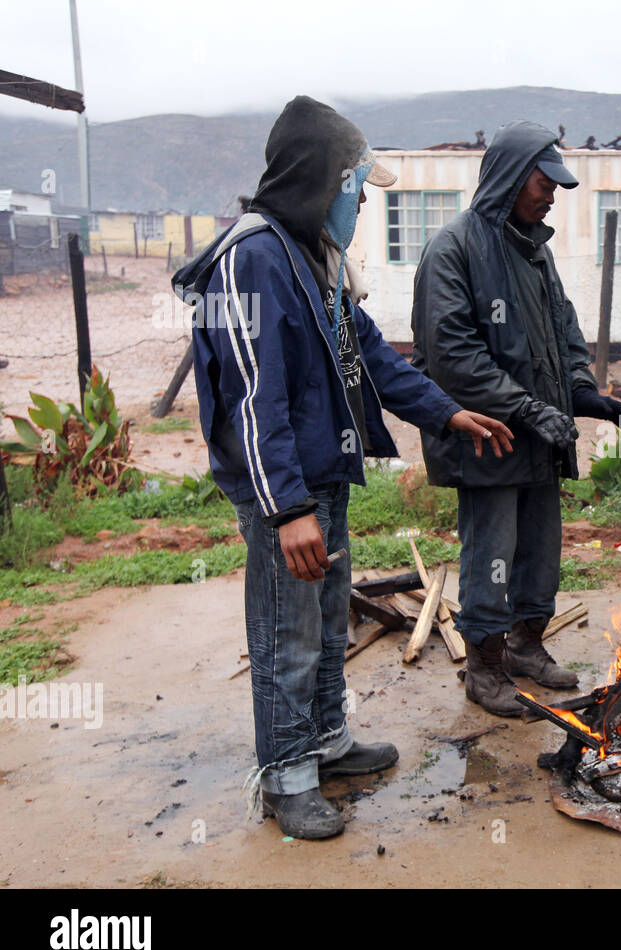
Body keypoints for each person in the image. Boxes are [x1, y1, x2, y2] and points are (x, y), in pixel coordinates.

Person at [175, 96, 511, 840]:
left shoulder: (317, 258)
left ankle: (327, 740)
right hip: (283, 488)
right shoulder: (253, 258)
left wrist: (445, 411)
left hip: (323, 470)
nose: (362, 205)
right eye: (358, 188)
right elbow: (254, 397)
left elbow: (374, 357)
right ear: (325, 184)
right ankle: (287, 776)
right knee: (286, 628)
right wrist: (287, 509)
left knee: (328, 616)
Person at [411, 121, 621, 717]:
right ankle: (483, 668)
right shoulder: (453, 248)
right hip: (490, 438)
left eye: (556, 187)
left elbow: (563, 328)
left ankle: (526, 646)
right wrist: (530, 408)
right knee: (493, 552)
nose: (551, 195)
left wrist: (584, 393)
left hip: (539, 437)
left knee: (540, 548)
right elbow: (453, 355)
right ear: (512, 178)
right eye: (544, 183)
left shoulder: (533, 249)